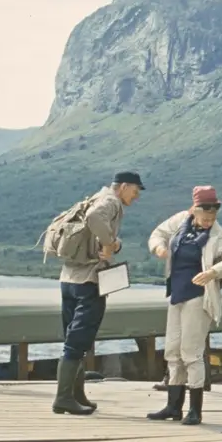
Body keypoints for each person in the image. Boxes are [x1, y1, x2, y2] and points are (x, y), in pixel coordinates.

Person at [145, 185, 222, 425]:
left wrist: (213, 272)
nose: (209, 222)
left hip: (199, 297)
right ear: (194, 210)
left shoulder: (219, 236)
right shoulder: (181, 221)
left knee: (191, 352)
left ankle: (195, 410)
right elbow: (157, 233)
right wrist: (159, 247)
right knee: (172, 350)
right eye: (205, 217)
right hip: (177, 294)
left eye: (212, 218)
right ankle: (173, 406)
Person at [52, 171, 144, 415]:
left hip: (69, 278)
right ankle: (63, 398)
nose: (135, 197)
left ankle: (76, 393)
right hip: (89, 281)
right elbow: (95, 219)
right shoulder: (111, 202)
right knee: (78, 341)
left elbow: (93, 223)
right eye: (135, 191)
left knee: (73, 339)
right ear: (123, 186)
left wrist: (113, 243)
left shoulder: (93, 198)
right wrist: (108, 245)